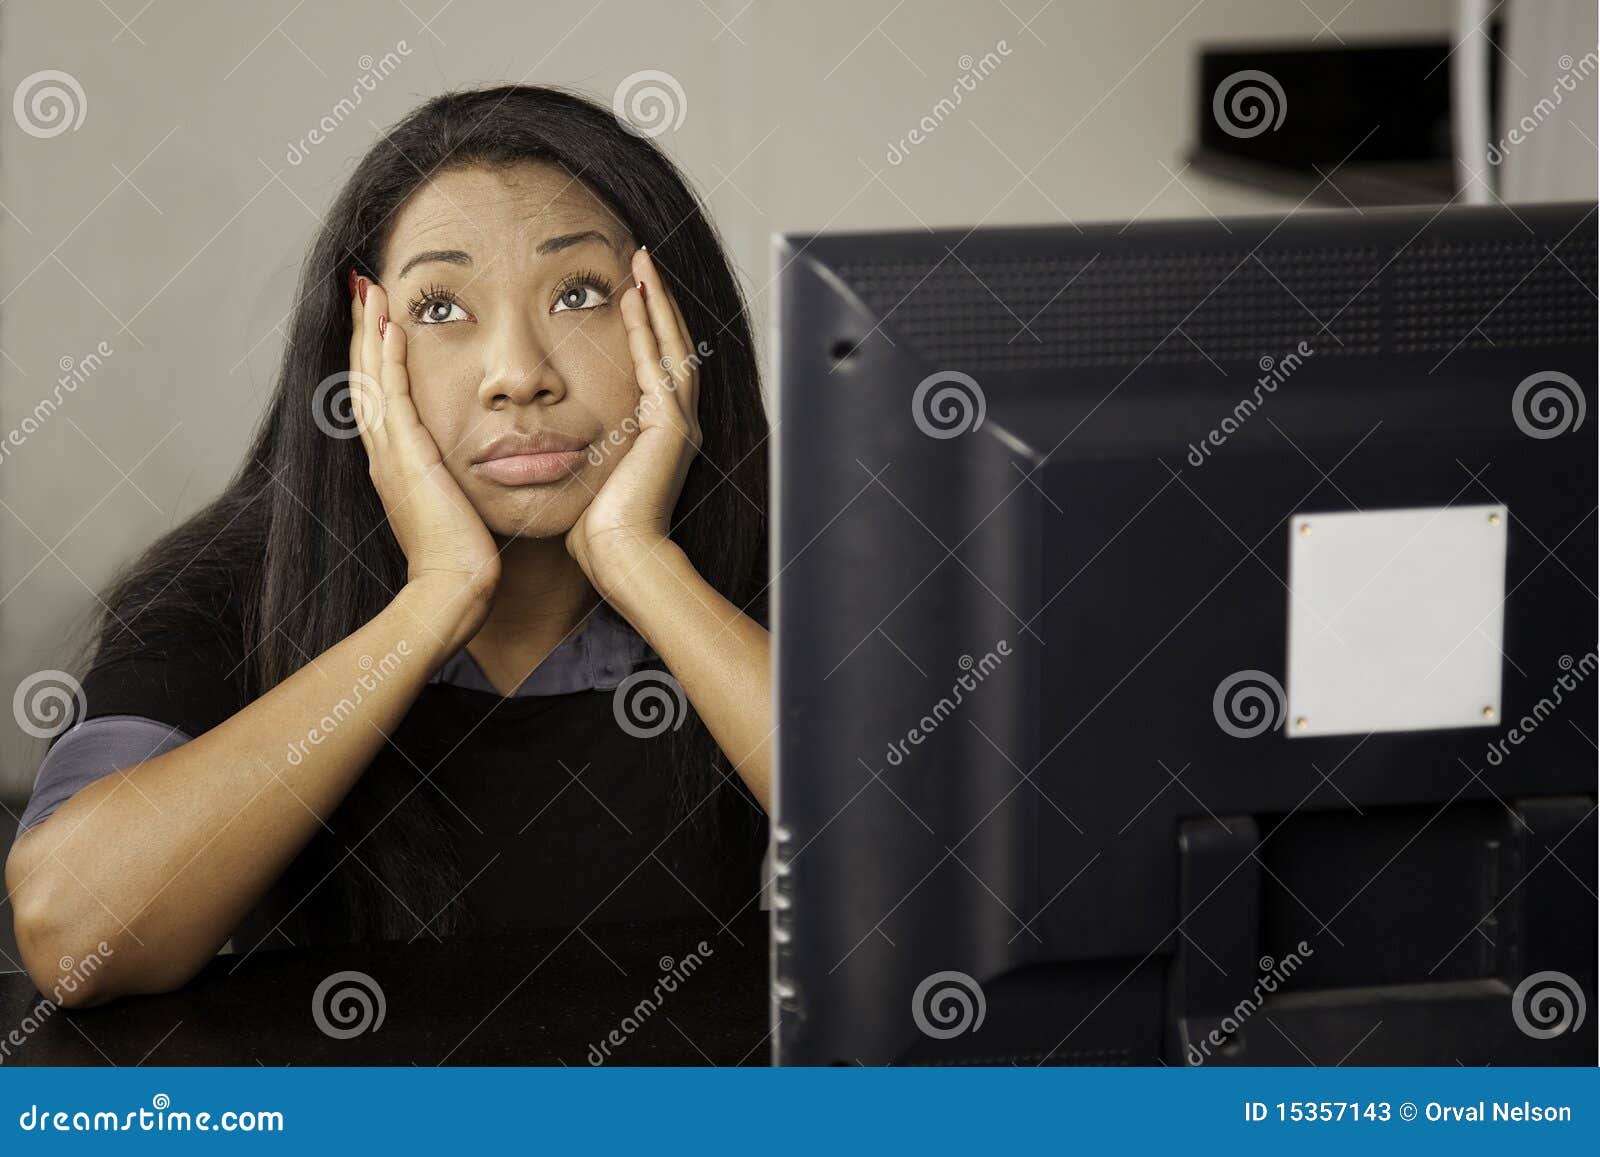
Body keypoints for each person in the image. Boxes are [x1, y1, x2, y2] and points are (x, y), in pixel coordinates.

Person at [5, 85, 772, 1007]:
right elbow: (70, 930)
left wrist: (643, 565)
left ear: (678, 327)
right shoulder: (232, 587)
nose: (519, 374)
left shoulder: (785, 559)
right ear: (362, 353)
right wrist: (435, 598)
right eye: (442, 308)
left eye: (580, 294)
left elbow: (955, 876)